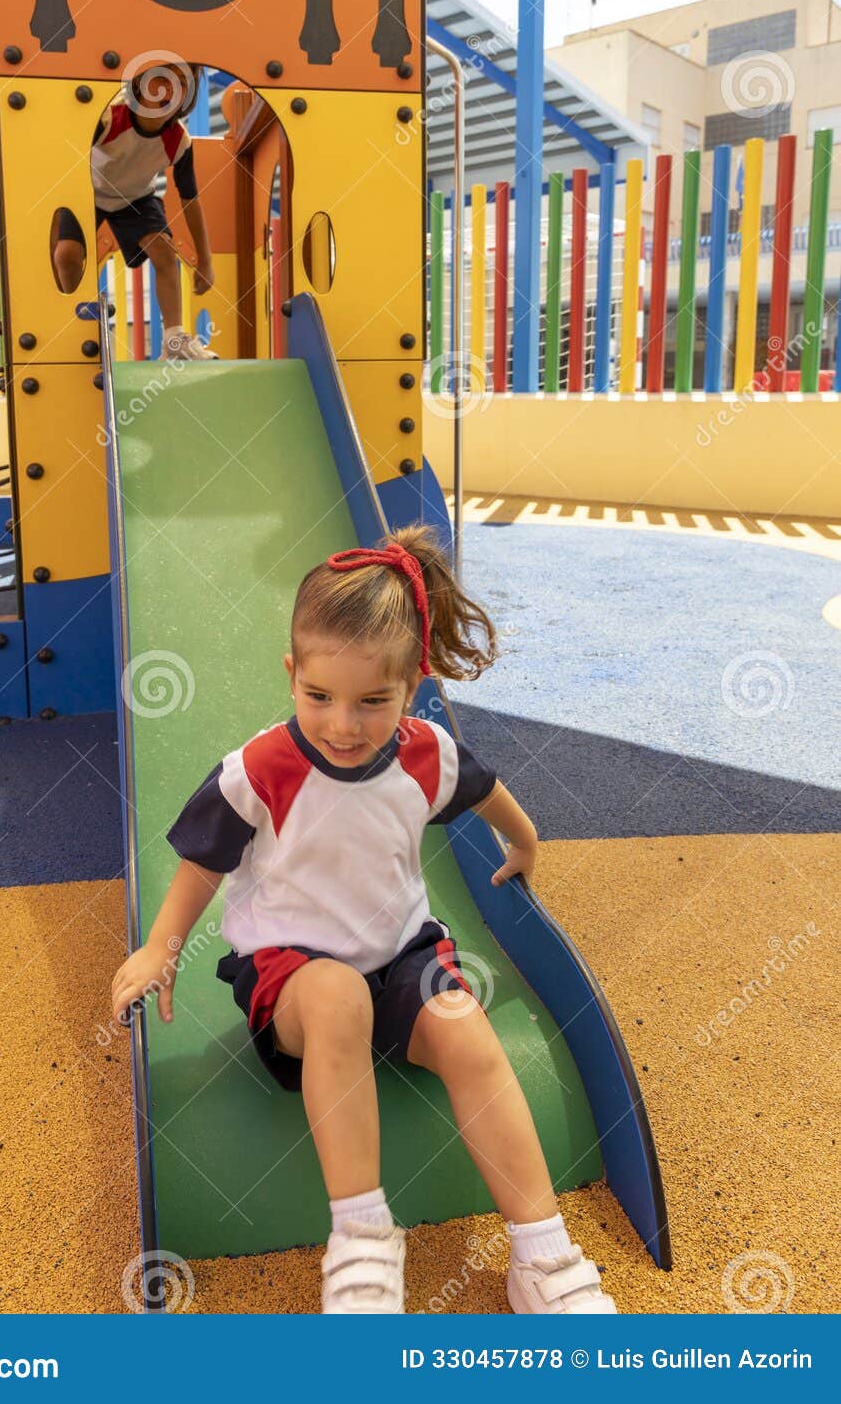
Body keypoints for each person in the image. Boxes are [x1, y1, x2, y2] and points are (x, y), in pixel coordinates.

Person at [111, 524, 617, 1316]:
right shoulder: (261, 770)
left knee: (467, 1030)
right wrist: (159, 948)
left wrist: (525, 842)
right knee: (339, 995)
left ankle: (544, 1254)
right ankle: (364, 1242)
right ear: (292, 674)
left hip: (403, 957)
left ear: (412, 686)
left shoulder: (426, 753)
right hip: (292, 974)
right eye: (320, 697)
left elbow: (485, 791)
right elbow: (205, 863)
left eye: (372, 702)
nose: (343, 725)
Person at [52, 55, 218, 361]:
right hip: (89, 192)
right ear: (140, 82)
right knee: (67, 254)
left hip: (135, 198)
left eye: (182, 83)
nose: (170, 88)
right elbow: (68, 156)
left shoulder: (179, 140)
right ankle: (75, 325)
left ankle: (174, 341)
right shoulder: (110, 118)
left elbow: (190, 200)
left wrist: (205, 262)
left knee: (165, 253)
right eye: (162, 78)